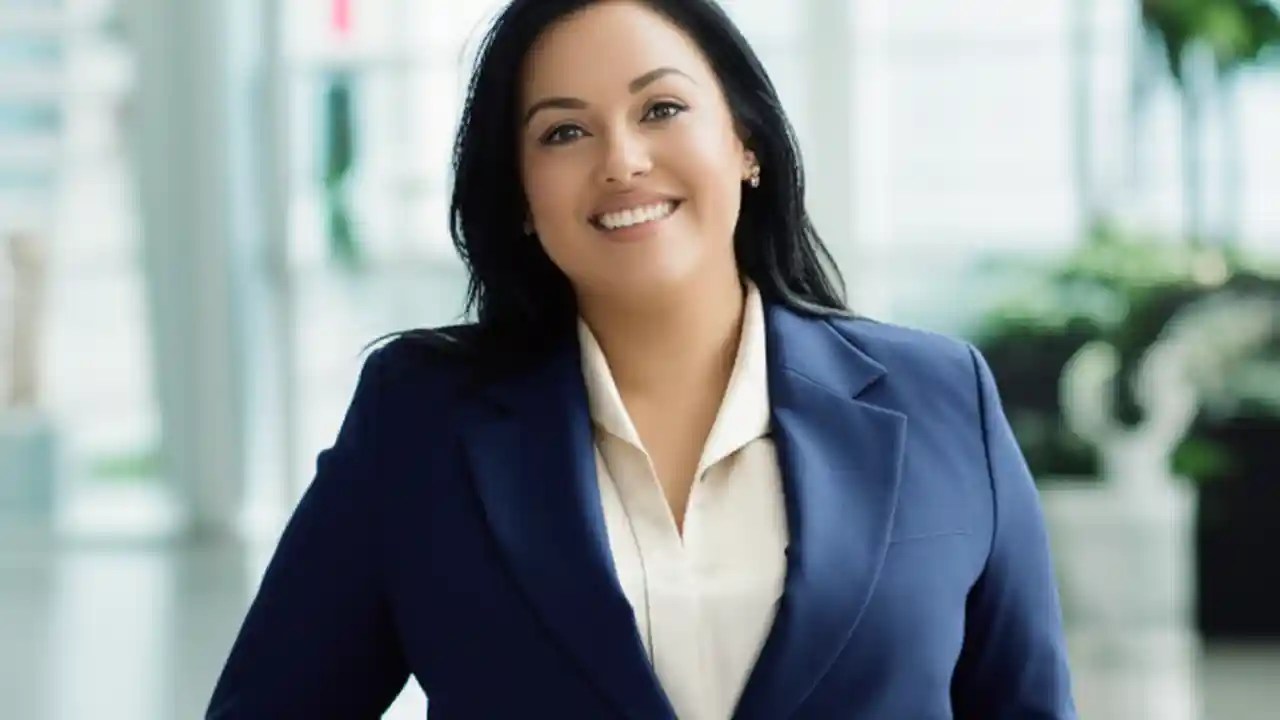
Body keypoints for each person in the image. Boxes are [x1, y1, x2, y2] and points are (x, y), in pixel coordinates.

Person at [207, 0, 1077, 717]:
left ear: (745, 143)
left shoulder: (939, 397)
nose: (621, 161)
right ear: (520, 196)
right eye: (563, 133)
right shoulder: (420, 420)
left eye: (661, 110)